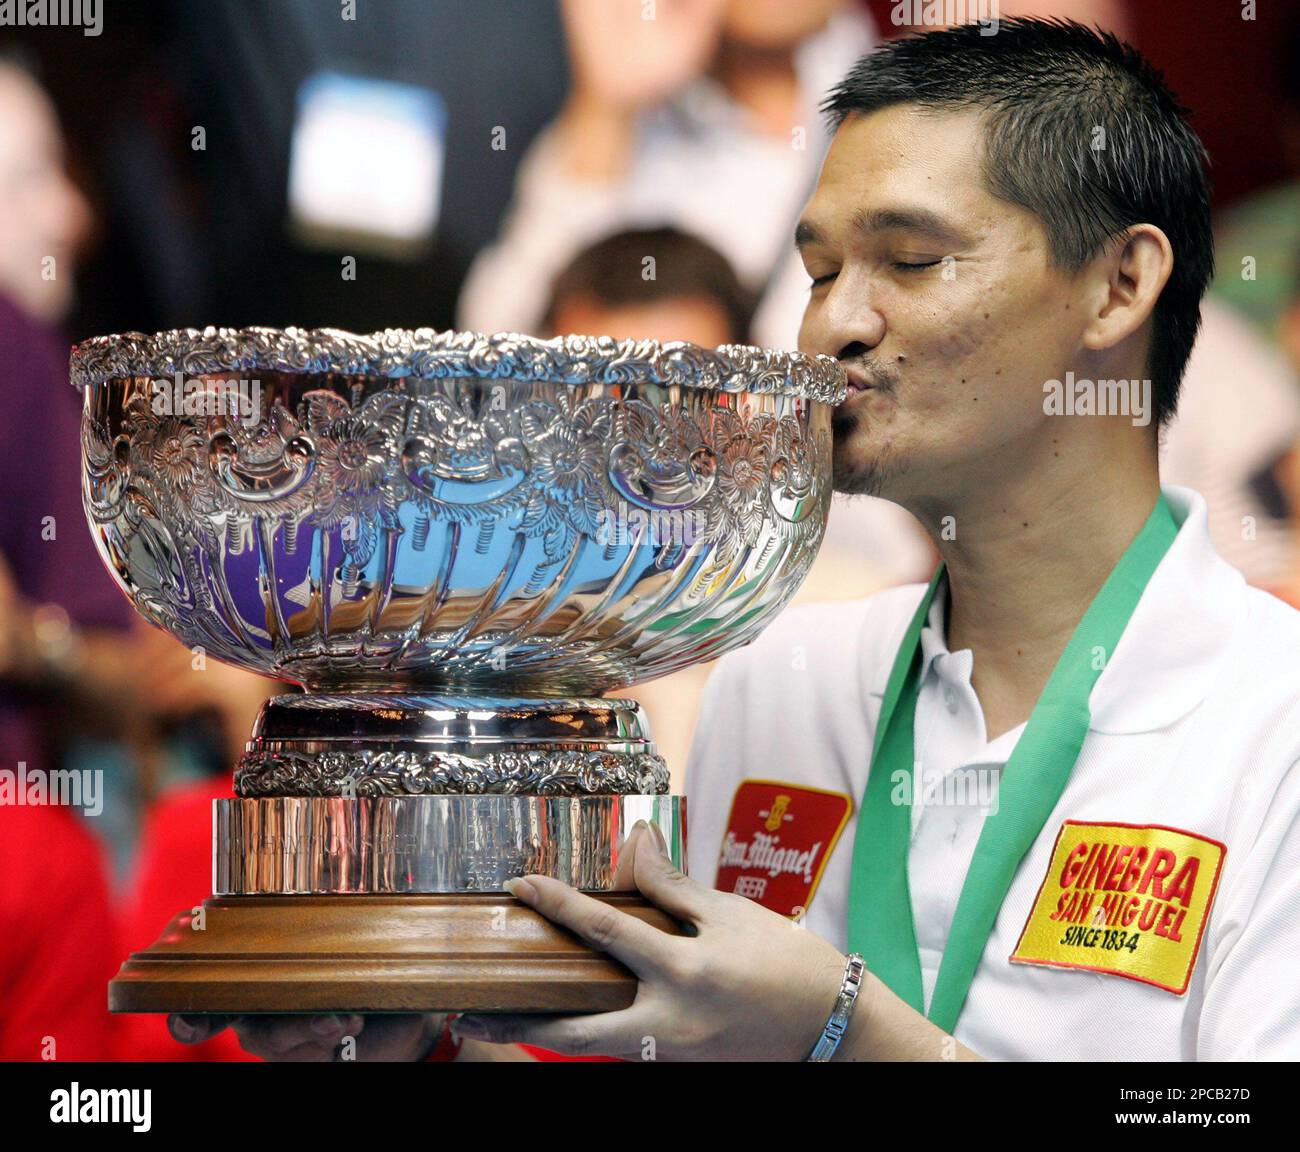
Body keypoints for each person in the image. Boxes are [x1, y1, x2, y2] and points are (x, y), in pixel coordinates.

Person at [173, 18, 1300, 1061]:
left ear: (1120, 283)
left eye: (909, 261)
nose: (835, 326)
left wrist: (844, 1033)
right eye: (818, 271)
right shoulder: (781, 678)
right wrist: (419, 1045)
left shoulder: (1271, 716)